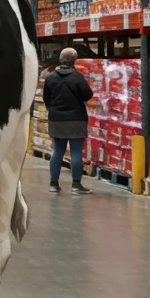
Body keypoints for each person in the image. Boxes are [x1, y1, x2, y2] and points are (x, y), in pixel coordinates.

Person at [42, 47, 94, 194]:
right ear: (74, 61)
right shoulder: (77, 77)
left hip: (57, 119)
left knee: (58, 151)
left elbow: (46, 98)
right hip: (76, 119)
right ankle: (76, 185)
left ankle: (53, 184)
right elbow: (87, 95)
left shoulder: (50, 78)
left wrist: (54, 110)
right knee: (76, 152)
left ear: (60, 59)